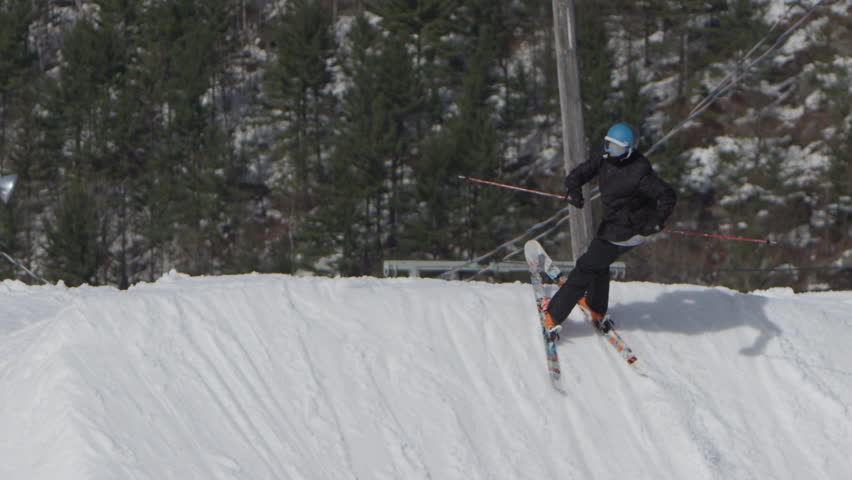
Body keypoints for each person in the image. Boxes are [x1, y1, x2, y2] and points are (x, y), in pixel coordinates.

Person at [543, 123, 676, 339]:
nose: (611, 151)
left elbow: (668, 196)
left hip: (628, 232)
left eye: (617, 148)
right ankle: (596, 306)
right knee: (599, 263)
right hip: (611, 225)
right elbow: (580, 173)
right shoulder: (606, 158)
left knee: (586, 267)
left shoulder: (640, 173)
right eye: (608, 145)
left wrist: (656, 222)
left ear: (629, 151)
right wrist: (573, 190)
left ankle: (553, 315)